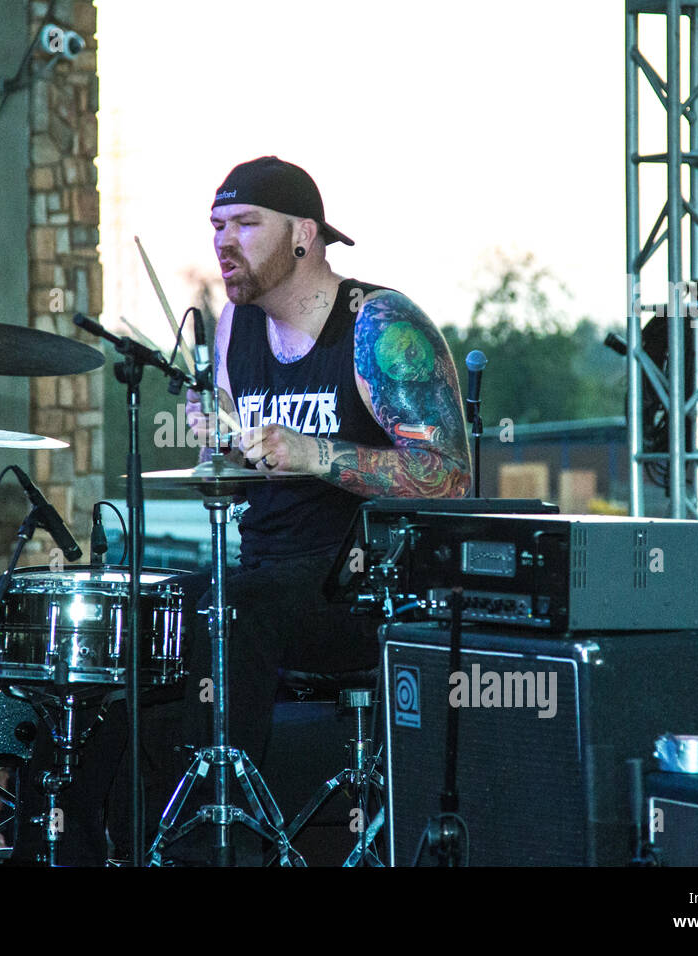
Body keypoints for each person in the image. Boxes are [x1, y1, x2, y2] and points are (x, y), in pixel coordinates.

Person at [147, 155, 472, 858]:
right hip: (265, 573)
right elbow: (252, 463)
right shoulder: (235, 327)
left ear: (301, 234)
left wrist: (317, 453)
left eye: (244, 224)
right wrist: (225, 447)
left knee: (233, 608)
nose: (224, 242)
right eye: (216, 227)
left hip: (365, 591)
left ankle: (221, 846)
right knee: (159, 610)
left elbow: (449, 476)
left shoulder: (378, 324)